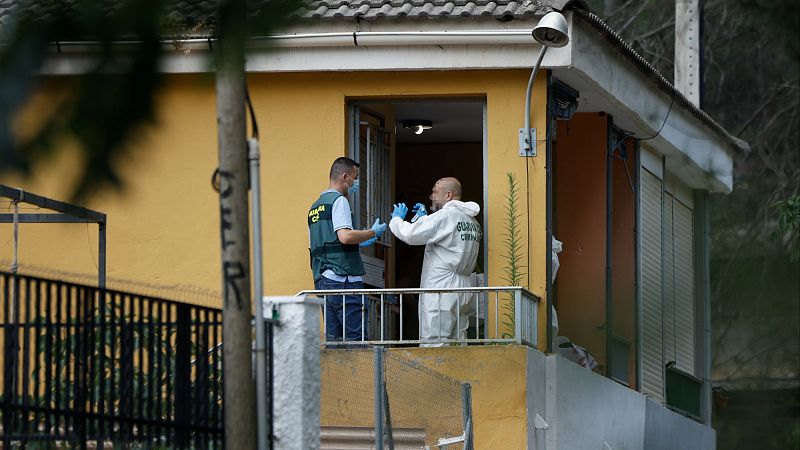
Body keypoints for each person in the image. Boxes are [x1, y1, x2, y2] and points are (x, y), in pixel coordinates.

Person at [388, 177, 482, 346]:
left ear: (448, 195)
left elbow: (410, 234)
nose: (431, 196)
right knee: (458, 342)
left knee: (435, 343)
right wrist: (425, 220)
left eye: (435, 192)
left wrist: (396, 220)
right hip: (463, 288)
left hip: (442, 288)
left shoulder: (445, 216)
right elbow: (447, 242)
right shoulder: (471, 221)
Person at [308, 157, 387, 341]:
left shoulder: (315, 207)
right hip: (344, 280)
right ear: (345, 177)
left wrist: (358, 240)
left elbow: (323, 244)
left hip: (323, 282)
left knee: (334, 343)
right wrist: (371, 233)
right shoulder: (339, 201)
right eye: (355, 176)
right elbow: (344, 236)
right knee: (356, 342)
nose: (356, 182)